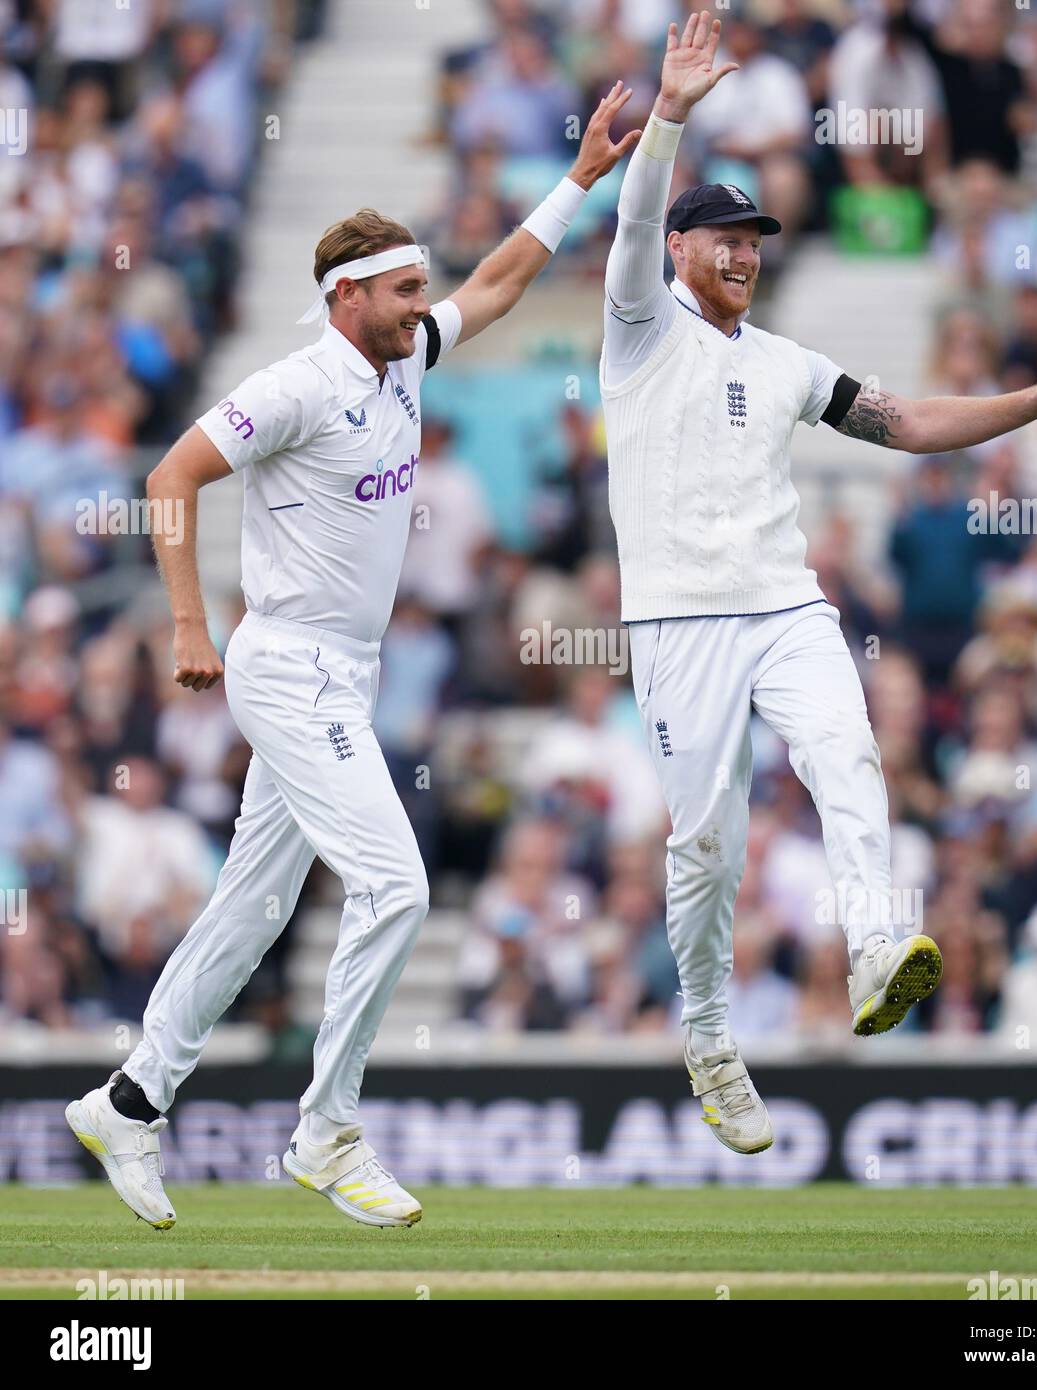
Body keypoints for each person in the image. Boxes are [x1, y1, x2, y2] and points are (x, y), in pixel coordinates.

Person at [64, 83, 642, 1231]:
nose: (422, 304)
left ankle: (130, 1099)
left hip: (345, 671)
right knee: (397, 883)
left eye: (419, 288)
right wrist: (189, 624)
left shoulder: (406, 355)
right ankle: (326, 1129)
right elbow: (169, 476)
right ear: (345, 297)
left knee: (255, 901)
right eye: (401, 290)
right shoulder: (293, 384)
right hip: (281, 662)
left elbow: (500, 283)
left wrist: (581, 179)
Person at [601, 11, 1037, 1155]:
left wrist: (1030, 404)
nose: (744, 253)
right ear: (684, 251)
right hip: (679, 622)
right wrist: (672, 112)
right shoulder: (637, 324)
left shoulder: (785, 361)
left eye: (755, 239)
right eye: (725, 237)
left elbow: (911, 418)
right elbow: (637, 212)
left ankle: (881, 944)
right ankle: (706, 1034)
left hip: (785, 604)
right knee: (706, 846)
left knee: (848, 751)